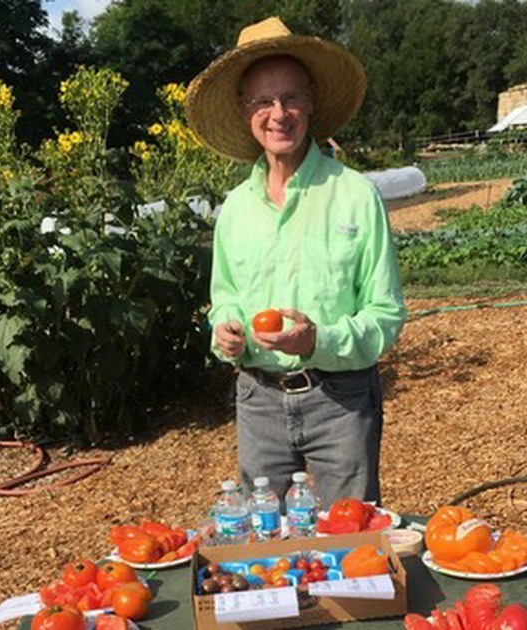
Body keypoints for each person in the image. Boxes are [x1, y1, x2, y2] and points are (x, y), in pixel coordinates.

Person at [184, 16, 407, 508]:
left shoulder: (354, 195)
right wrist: (225, 334)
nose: (278, 113)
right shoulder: (236, 210)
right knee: (266, 550)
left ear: (311, 103)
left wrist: (318, 340)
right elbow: (225, 301)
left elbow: (386, 314)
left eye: (291, 98)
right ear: (245, 110)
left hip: (341, 400)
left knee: (347, 546)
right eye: (263, 101)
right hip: (257, 400)